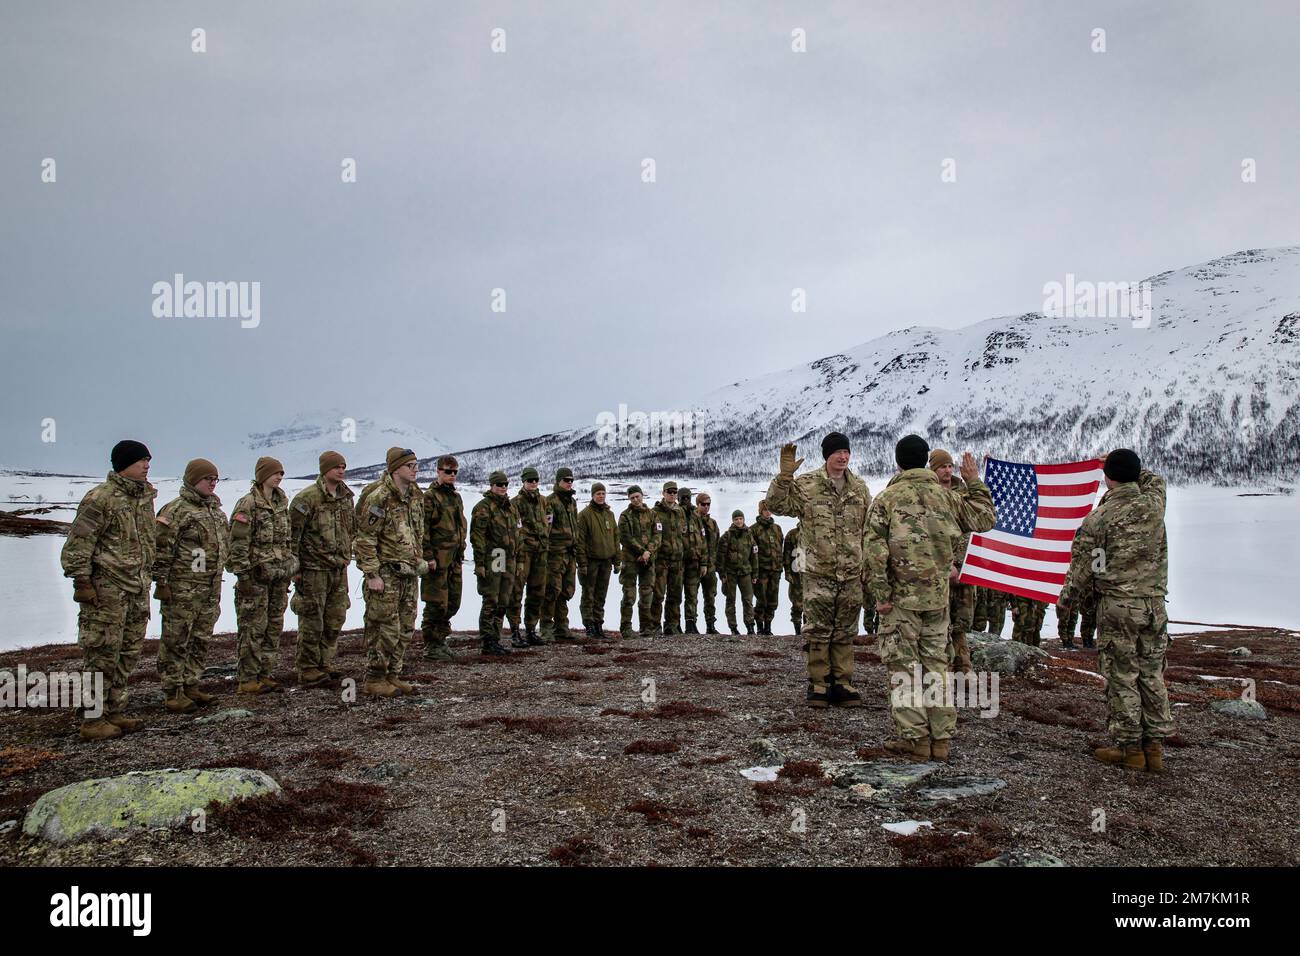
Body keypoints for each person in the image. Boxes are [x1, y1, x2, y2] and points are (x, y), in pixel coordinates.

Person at [865, 436, 996, 760]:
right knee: (937, 666)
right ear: (925, 461)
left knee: (905, 669)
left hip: (901, 601)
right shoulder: (946, 496)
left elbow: (874, 551)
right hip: (938, 599)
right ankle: (940, 740)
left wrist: (881, 594)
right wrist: (975, 482)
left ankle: (915, 740)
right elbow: (985, 519)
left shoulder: (887, 499)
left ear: (898, 462)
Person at [1059, 449, 1172, 772]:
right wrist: (1131, 466)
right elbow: (1155, 480)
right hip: (1153, 605)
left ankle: (1130, 747)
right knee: (1151, 673)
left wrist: (1067, 600)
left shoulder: (1100, 519)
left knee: (1122, 675)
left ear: (1108, 477)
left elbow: (1084, 567)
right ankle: (1155, 746)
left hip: (1119, 607)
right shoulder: (1153, 505)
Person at [765, 432, 872, 707]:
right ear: (827, 455)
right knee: (819, 630)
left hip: (850, 573)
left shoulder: (859, 488)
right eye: (837, 452)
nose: (843, 457)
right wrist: (783, 479)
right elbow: (777, 505)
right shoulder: (808, 485)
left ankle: (843, 682)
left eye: (846, 452)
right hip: (818, 572)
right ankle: (819, 683)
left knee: (846, 629)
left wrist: (867, 565)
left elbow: (868, 529)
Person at [60, 440, 157, 740]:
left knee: (127, 653)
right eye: (141, 460)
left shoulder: (143, 499)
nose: (146, 465)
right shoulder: (100, 498)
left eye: (148, 460)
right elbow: (78, 544)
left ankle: (114, 711)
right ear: (123, 464)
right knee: (101, 654)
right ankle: (92, 719)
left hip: (136, 588)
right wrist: (82, 583)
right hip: (106, 591)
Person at [354, 447, 432, 696]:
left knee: (406, 626)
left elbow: (417, 533)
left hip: (409, 571)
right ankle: (375, 677)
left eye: (417, 465)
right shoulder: (379, 497)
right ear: (396, 468)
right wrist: (372, 574)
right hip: (386, 572)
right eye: (410, 466)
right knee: (385, 626)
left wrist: (420, 559)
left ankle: (392, 674)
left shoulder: (416, 496)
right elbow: (365, 539)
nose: (415, 470)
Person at [154, 457, 229, 712]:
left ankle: (191, 684)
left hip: (209, 588)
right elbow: (162, 549)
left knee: (200, 638)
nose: (212, 484)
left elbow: (223, 548)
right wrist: (162, 582)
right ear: (192, 479)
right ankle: (173, 691)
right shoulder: (175, 510)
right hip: (182, 588)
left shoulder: (217, 513)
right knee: (176, 640)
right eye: (207, 479)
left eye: (215, 479)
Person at [228, 457, 295, 695]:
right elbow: (238, 542)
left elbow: (287, 539)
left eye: (281, 473)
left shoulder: (280, 504)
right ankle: (247, 678)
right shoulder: (248, 504)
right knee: (252, 628)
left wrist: (289, 566)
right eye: (275, 473)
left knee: (273, 626)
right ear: (262, 475)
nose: (279, 477)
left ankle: (264, 673)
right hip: (255, 578)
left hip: (278, 576)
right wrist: (243, 575)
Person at [289, 450, 354, 685]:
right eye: (336, 466)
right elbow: (293, 536)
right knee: (312, 620)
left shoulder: (346, 497)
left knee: (335, 617)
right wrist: (295, 569)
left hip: (339, 568)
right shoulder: (306, 499)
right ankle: (308, 668)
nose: (341, 470)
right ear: (325, 469)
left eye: (344, 466)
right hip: (313, 569)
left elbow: (351, 529)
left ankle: (324, 664)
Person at [930, 448, 976, 673]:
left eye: (949, 466)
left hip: (963, 568)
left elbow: (970, 531)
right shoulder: (929, 493)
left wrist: (959, 564)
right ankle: (944, 668)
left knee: (961, 623)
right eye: (942, 467)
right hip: (938, 568)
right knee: (940, 622)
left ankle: (964, 667)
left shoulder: (963, 493)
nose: (947, 471)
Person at [421, 455, 466, 661]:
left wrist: (461, 549)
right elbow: (424, 529)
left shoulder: (455, 497)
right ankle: (432, 645)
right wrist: (428, 556)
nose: (452, 475)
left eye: (455, 472)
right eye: (448, 471)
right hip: (437, 561)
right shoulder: (429, 497)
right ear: (438, 471)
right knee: (436, 603)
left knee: (453, 602)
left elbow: (460, 526)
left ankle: (441, 638)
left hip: (454, 559)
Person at [471, 471, 520, 655]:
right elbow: (477, 538)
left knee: (504, 600)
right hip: (494, 557)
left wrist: (518, 556)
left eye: (505, 484)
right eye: (499, 484)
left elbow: (518, 532)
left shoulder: (510, 507)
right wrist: (480, 563)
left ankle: (496, 638)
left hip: (509, 558)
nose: (503, 488)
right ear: (492, 486)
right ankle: (487, 640)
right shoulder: (483, 507)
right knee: (491, 598)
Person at [508, 466, 549, 646]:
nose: (533, 483)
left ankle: (531, 629)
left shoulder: (543, 501)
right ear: (523, 482)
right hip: (523, 552)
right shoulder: (515, 503)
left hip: (541, 551)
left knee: (537, 591)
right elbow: (514, 528)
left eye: (535, 480)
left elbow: (548, 522)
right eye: (529, 481)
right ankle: (515, 631)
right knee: (516, 591)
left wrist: (545, 539)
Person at [576, 482, 619, 638]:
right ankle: (589, 625)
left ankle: (598, 623)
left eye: (603, 493)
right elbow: (580, 542)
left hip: (606, 561)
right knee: (589, 594)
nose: (601, 496)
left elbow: (615, 537)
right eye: (598, 494)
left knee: (601, 594)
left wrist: (617, 560)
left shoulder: (609, 514)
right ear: (592, 496)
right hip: (591, 562)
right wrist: (582, 563)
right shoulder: (584, 515)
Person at [541, 467, 580, 640]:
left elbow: (575, 526)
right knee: (552, 590)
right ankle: (546, 627)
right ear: (558, 481)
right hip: (555, 554)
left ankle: (562, 626)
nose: (569, 483)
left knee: (566, 591)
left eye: (571, 480)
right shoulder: (550, 502)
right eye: (565, 480)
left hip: (570, 553)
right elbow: (546, 529)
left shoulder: (572, 502)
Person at [616, 485, 659, 638]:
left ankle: (646, 627)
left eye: (637, 496)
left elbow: (657, 535)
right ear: (629, 499)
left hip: (648, 561)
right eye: (632, 497)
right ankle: (626, 627)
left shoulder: (652, 514)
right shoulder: (625, 516)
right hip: (630, 561)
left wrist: (648, 552)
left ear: (642, 495)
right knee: (629, 595)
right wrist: (642, 551)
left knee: (647, 594)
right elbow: (625, 538)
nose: (635, 499)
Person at [650, 481, 685, 636]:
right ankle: (654, 625)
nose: (672, 495)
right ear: (663, 493)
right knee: (658, 594)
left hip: (677, 560)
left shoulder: (680, 512)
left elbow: (683, 534)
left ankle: (672, 625)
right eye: (669, 492)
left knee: (675, 595)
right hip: (661, 560)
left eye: (674, 492)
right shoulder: (655, 512)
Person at [717, 510, 757, 635]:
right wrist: (722, 575)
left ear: (744, 519)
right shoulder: (727, 536)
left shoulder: (749, 535)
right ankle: (733, 628)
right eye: (736, 519)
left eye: (740, 518)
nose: (739, 521)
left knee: (748, 601)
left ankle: (750, 626)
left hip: (745, 573)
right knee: (731, 600)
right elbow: (720, 557)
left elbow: (754, 556)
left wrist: (755, 574)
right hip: (731, 574)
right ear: (733, 521)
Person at [750, 500, 784, 635]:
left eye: (770, 510)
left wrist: (780, 565)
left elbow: (780, 547)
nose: (768, 513)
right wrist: (754, 571)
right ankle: (759, 626)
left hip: (775, 570)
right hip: (761, 571)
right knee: (761, 600)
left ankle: (768, 626)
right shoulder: (754, 529)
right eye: (765, 510)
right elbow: (752, 552)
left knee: (773, 601)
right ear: (760, 511)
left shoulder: (777, 528)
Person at [679, 488, 707, 634]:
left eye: (687, 498)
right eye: (682, 498)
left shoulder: (696, 517)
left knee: (692, 594)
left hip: (694, 562)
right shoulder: (676, 514)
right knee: (675, 594)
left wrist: (703, 562)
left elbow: (702, 541)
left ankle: (691, 622)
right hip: (678, 562)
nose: (685, 501)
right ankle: (673, 623)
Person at [694, 492, 721, 634]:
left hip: (710, 567)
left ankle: (710, 625)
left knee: (710, 596)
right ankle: (691, 625)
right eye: (703, 504)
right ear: (697, 504)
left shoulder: (712, 523)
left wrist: (716, 564)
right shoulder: (692, 521)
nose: (706, 507)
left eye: (708, 504)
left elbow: (717, 545)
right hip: (695, 566)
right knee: (692, 596)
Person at [782, 522, 804, 635]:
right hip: (796, 574)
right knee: (797, 604)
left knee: (813, 604)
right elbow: (786, 555)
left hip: (813, 574)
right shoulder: (792, 534)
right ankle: (797, 631)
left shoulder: (815, 532)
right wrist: (787, 572)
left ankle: (809, 630)